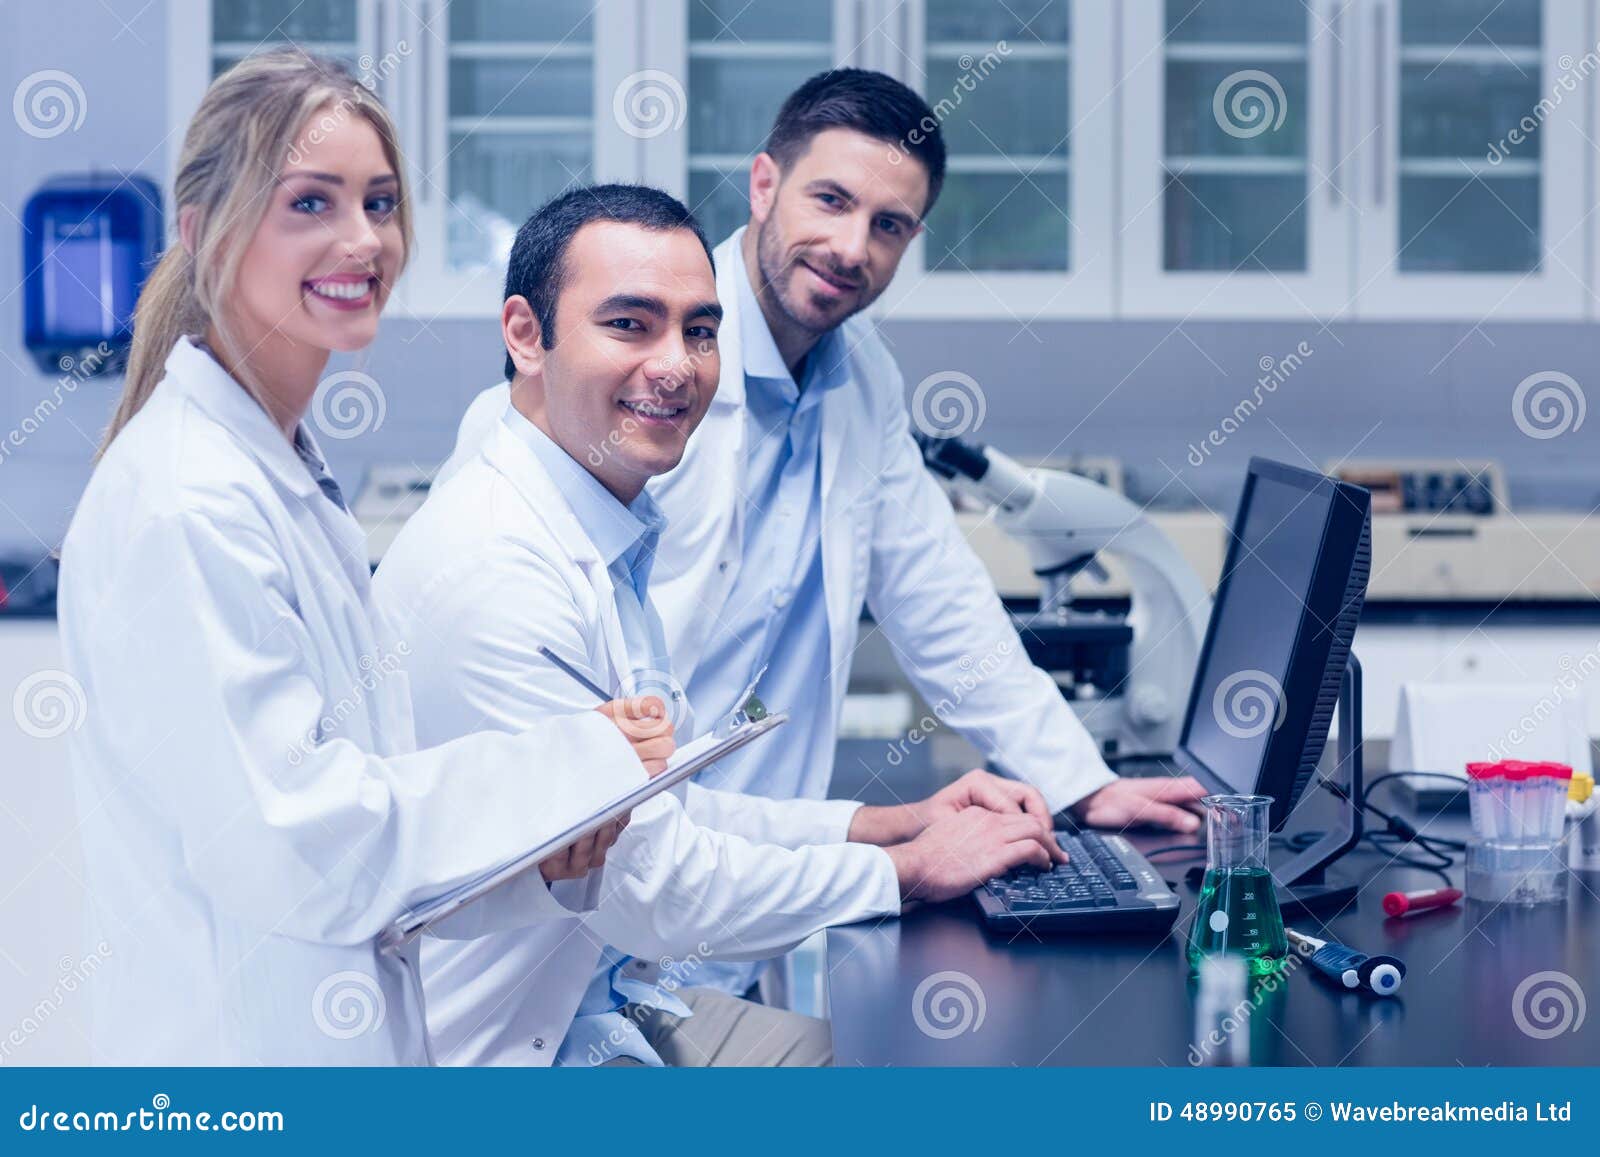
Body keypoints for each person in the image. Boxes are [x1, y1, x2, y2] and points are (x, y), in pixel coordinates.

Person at [438, 70, 1210, 1000]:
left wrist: (1082, 787)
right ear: (764, 184)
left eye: (889, 225)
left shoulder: (862, 376)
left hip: (749, 879)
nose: (851, 247)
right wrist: (903, 859)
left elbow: (939, 598)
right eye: (832, 200)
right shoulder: (623, 384)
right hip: (601, 916)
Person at [57, 51, 667, 1066]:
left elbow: (360, 830)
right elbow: (306, 848)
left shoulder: (278, 470)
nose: (363, 238)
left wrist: (542, 851)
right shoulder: (188, 500)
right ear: (205, 233)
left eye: (379, 201)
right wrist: (571, 760)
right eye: (310, 201)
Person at [374, 184, 1062, 1067]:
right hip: (507, 1057)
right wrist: (910, 871)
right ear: (524, 333)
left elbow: (663, 819)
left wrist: (888, 824)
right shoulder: (503, 574)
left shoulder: (598, 531)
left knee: (928, 1071)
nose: (678, 364)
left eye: (700, 331)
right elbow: (655, 890)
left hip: (607, 1007)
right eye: (630, 324)